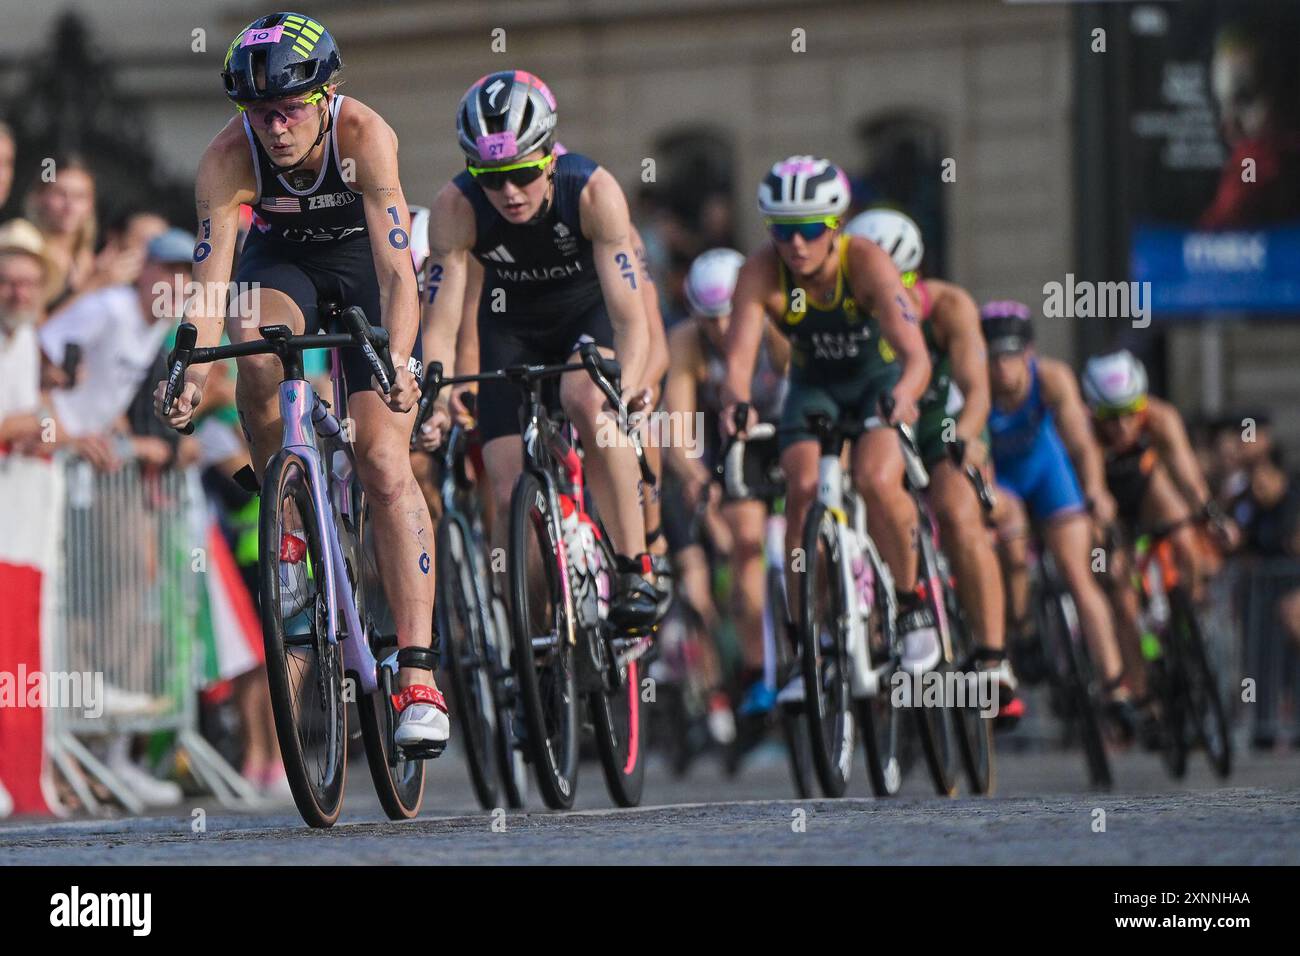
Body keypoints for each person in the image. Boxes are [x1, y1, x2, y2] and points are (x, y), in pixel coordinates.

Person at [152, 13, 447, 753]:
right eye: (260, 114)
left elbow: (396, 271)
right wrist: (187, 365)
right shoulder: (226, 156)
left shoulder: (363, 135)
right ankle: (285, 508)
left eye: (289, 110)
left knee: (383, 459)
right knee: (253, 344)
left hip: (361, 269)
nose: (276, 129)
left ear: (326, 95)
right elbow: (211, 289)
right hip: (281, 265)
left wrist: (401, 362)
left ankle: (417, 674)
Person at [417, 70, 659, 630]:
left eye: (523, 173)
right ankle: (538, 642)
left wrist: (631, 385)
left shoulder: (593, 191)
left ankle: (633, 566)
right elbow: (442, 322)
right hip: (511, 328)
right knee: (505, 488)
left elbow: (633, 318)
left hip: (586, 318)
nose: (509, 193)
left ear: (549, 157)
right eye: (492, 178)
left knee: (586, 401)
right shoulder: (456, 206)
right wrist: (435, 393)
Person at [721, 156, 937, 679]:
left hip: (875, 386)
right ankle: (804, 639)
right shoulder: (759, 272)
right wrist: (737, 404)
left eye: (810, 230)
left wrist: (906, 395)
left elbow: (916, 357)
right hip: (813, 387)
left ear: (835, 225)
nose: (796, 245)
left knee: (876, 478)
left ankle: (912, 606)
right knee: (798, 492)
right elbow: (738, 361)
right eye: (783, 231)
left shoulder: (866, 264)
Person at [847, 209, 1018, 719]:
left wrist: (968, 439)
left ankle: (992, 658)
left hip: (942, 417)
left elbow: (976, 390)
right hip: (884, 415)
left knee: (955, 509)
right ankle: (886, 621)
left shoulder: (948, 307)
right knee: (870, 496)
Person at [980, 302, 1136, 736]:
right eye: (993, 356)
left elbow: (1082, 445)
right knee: (1010, 542)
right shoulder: (972, 383)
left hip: (1049, 473)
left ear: (1028, 353)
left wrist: (1096, 491)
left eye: (1011, 355)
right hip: (1004, 481)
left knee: (1080, 576)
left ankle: (1114, 687)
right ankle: (1025, 628)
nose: (1002, 367)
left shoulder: (1052, 378)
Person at [663, 247, 790, 718]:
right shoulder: (686, 343)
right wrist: (700, 479)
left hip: (785, 426)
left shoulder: (773, 330)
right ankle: (757, 667)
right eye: (708, 319)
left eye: (728, 316)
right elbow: (676, 433)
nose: (720, 330)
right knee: (743, 542)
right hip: (732, 441)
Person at [0, 220, 51, 449]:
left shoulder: (26, 334)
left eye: (28, 283)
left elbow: (31, 409)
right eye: (8, 283)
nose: (20, 294)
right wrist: (34, 422)